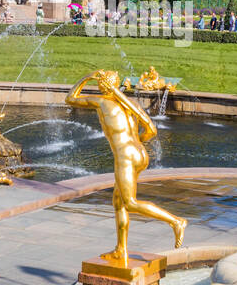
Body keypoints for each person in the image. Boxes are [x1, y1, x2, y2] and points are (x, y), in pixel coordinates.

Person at [65, 69, 186, 263]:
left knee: (129, 202)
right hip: (139, 154)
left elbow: (70, 98)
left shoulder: (101, 102)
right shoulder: (132, 105)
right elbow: (151, 131)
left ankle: (175, 221)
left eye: (98, 83)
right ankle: (121, 249)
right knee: (118, 203)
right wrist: (135, 143)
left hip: (124, 157)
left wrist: (86, 77)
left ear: (102, 85)